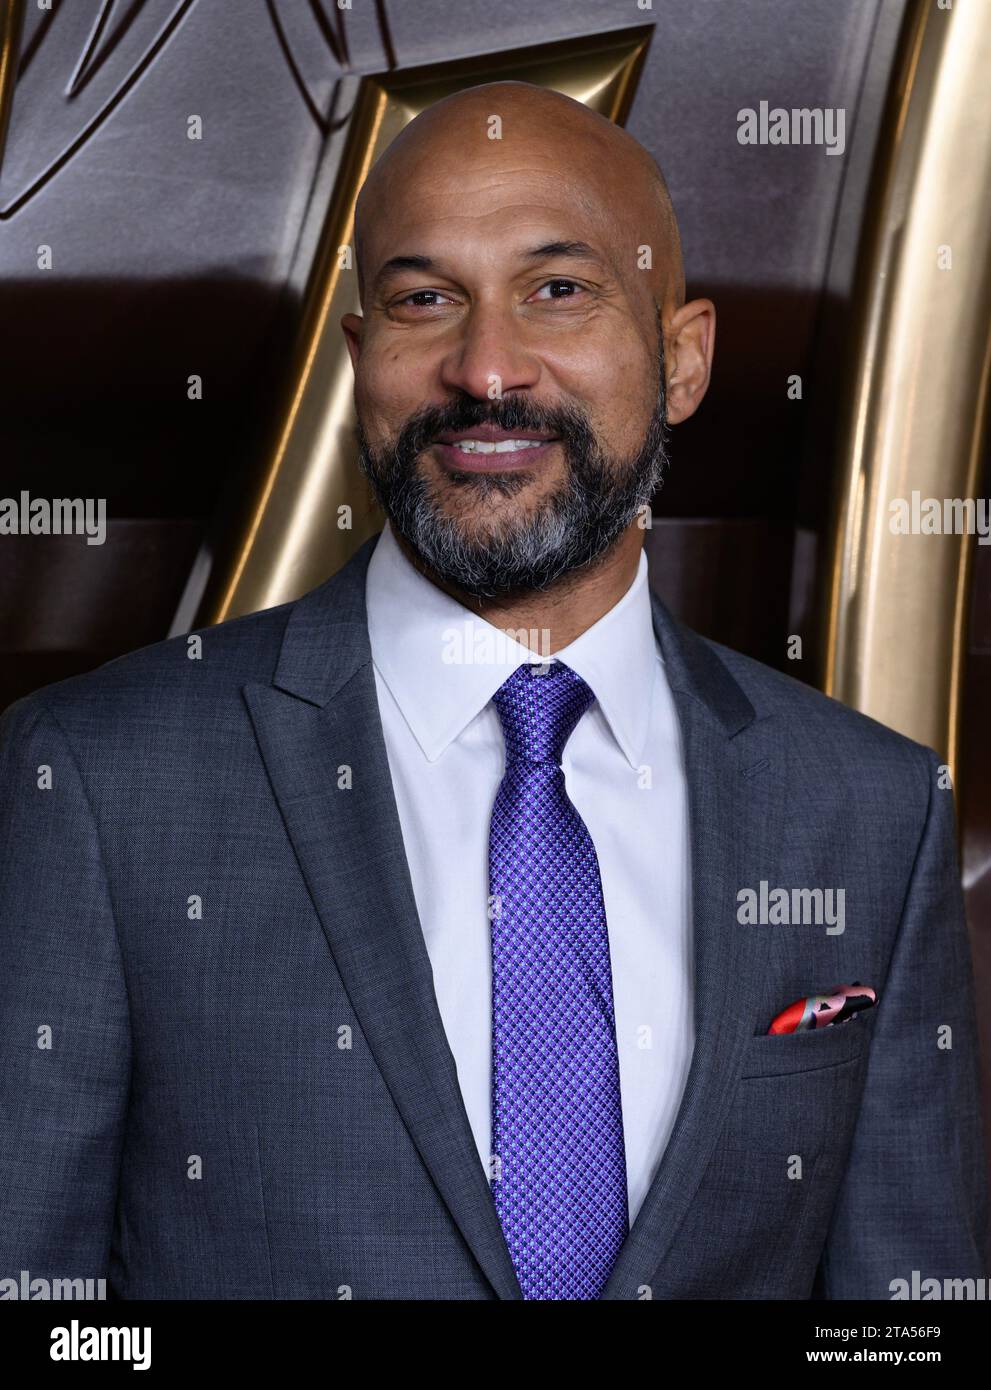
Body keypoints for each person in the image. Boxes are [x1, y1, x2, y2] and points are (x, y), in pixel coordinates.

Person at [0, 81, 986, 1301]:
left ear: (682, 360)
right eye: (425, 300)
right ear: (362, 360)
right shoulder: (99, 780)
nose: (487, 369)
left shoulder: (865, 805)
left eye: (558, 289)